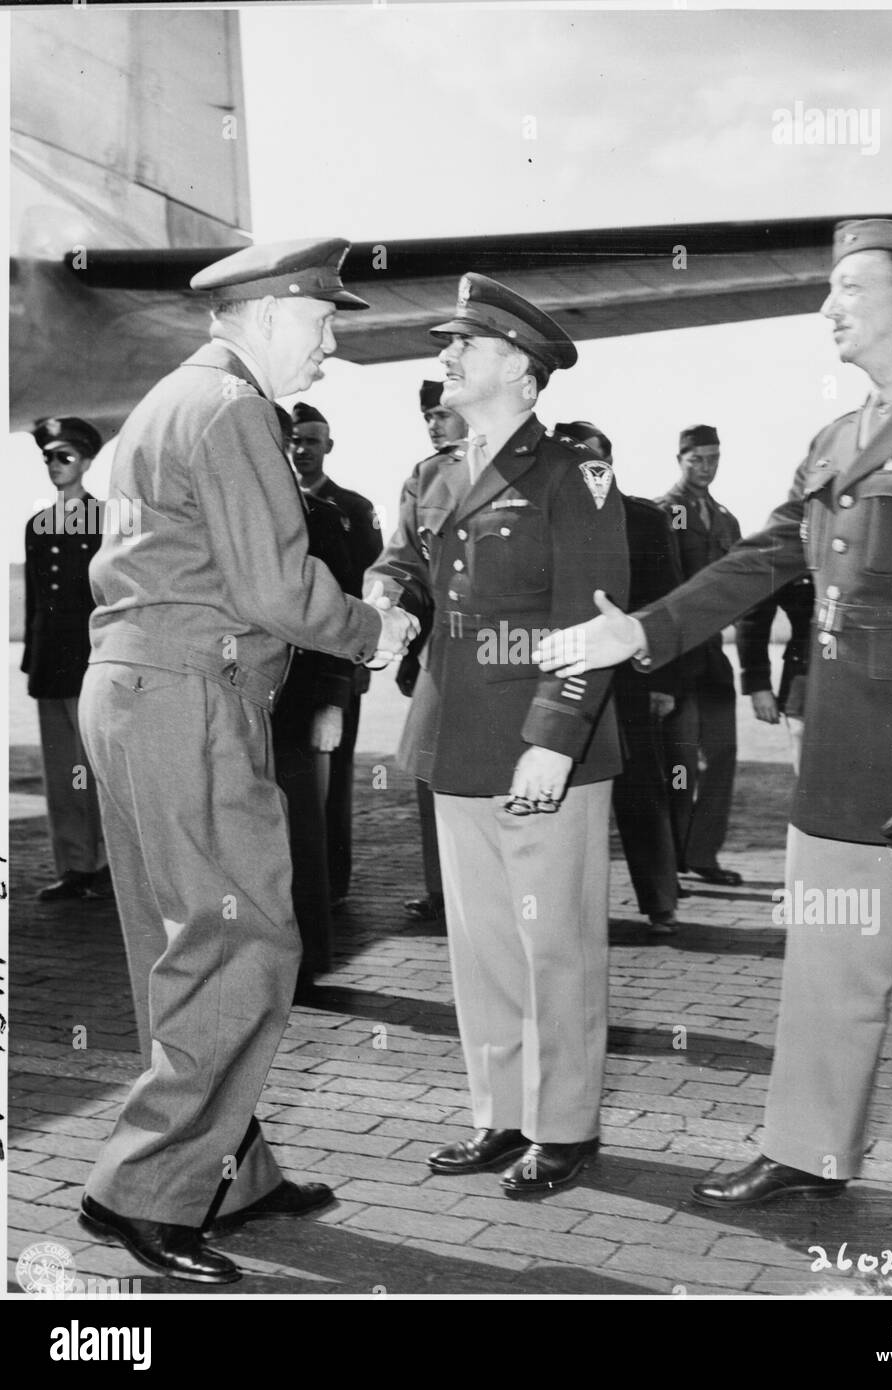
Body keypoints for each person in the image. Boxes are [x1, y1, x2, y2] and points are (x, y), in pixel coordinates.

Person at [536, 219, 892, 1255]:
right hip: (840, 759)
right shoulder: (833, 440)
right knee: (828, 969)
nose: (827, 308)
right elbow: (766, 557)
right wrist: (641, 627)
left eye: (848, 289)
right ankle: (806, 1148)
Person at [76, 237, 417, 1284]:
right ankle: (138, 1193)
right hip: (190, 694)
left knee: (181, 945)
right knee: (248, 942)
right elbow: (274, 587)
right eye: (321, 323)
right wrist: (373, 630)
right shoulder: (232, 410)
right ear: (267, 313)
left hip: (136, 685)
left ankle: (225, 1169)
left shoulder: (167, 400)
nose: (329, 347)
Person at [368, 273, 628, 1196]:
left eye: (463, 347)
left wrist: (554, 738)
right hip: (455, 740)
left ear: (519, 369)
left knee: (554, 944)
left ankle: (564, 1128)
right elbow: (399, 559)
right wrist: (387, 596)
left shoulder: (573, 477)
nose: (444, 358)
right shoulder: (434, 473)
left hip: (540, 745)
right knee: (480, 946)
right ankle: (503, 1116)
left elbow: (592, 622)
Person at [554, 420, 682, 933]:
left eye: (596, 459)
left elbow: (669, 602)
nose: (588, 470)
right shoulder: (546, 517)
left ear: (611, 462)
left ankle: (659, 903)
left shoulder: (646, 520)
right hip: (565, 675)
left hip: (631, 680)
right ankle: (567, 910)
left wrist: (663, 682)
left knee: (642, 792)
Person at [271, 406, 360, 990]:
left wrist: (332, 700)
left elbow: (341, 614)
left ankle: (307, 966)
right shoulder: (246, 515)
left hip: (303, 699)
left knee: (304, 834)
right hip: (245, 698)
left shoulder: (326, 519)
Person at [288, 401, 383, 907]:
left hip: (334, 665)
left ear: (329, 445)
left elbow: (367, 589)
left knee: (333, 779)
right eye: (295, 440)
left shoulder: (352, 508)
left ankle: (331, 884)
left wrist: (358, 663)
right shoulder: (271, 503)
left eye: (312, 440)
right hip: (281, 668)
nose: (303, 449)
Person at [22, 417, 110, 902]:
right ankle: (74, 866)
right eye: (48, 457)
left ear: (87, 461)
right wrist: (31, 660)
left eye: (65, 456)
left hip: (90, 660)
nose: (55, 465)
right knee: (61, 774)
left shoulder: (106, 519)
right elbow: (36, 598)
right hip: (49, 662)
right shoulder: (37, 525)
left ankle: (102, 862)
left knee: (91, 768)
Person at [657, 426, 743, 886]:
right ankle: (669, 860)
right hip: (677, 655)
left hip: (712, 655)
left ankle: (703, 852)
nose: (706, 468)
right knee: (679, 763)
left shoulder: (726, 520)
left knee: (723, 754)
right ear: (680, 459)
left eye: (713, 458)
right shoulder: (666, 513)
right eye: (697, 460)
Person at [400, 380, 466, 927]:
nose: (434, 423)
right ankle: (440, 891)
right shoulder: (424, 478)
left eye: (442, 413)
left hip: (502, 658)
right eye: (428, 415)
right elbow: (402, 568)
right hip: (438, 660)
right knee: (428, 779)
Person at [735, 574, 815, 773]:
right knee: (804, 739)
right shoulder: (790, 547)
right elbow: (753, 621)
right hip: (805, 665)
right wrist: (758, 684)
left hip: (866, 665)